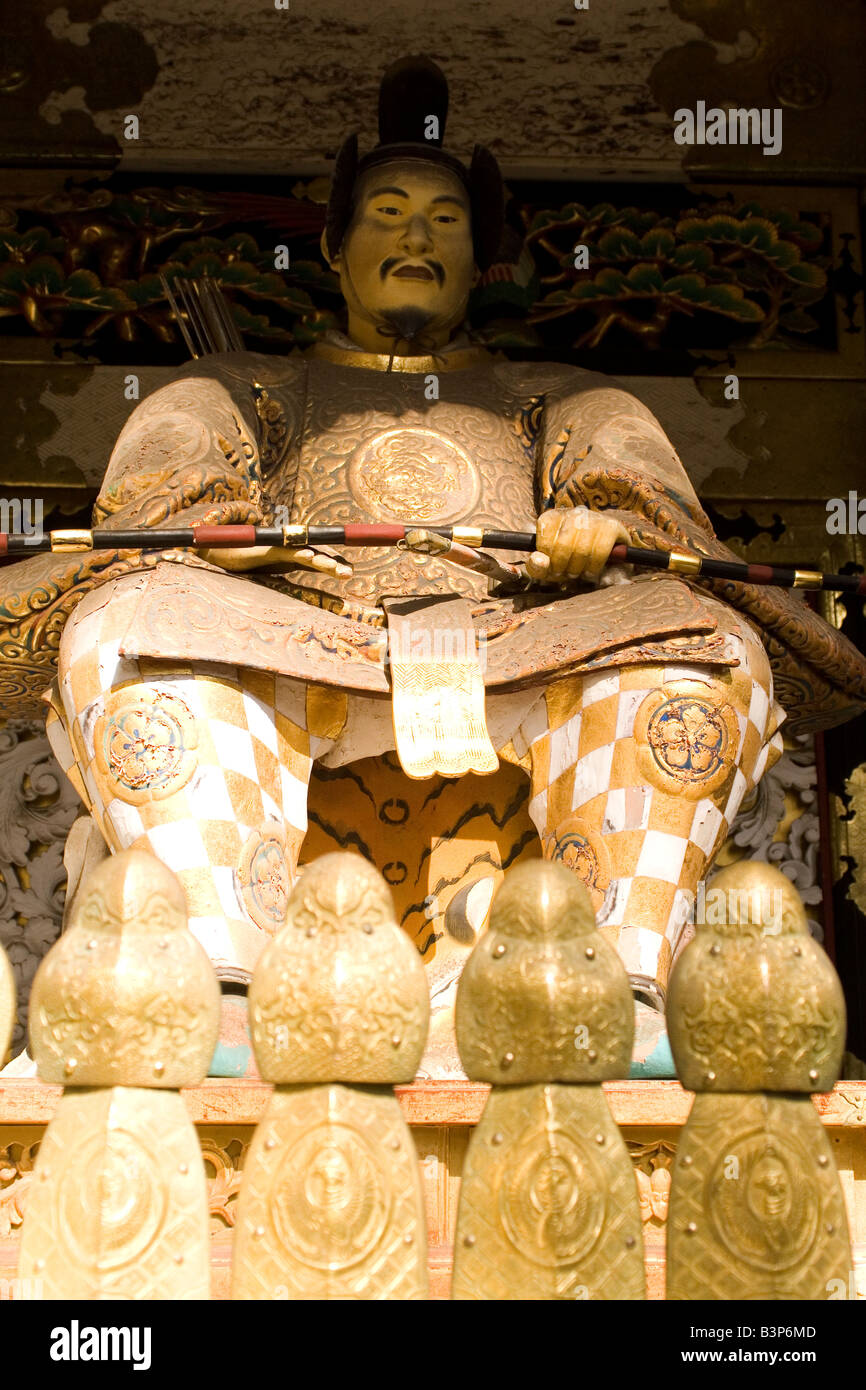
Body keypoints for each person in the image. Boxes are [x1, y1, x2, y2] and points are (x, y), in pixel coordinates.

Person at [9, 57, 865, 1076]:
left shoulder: (548, 394)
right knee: (128, 625)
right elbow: (165, 493)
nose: (415, 236)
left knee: (704, 644)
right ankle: (223, 985)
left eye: (445, 221)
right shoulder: (252, 388)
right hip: (289, 642)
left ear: (479, 261)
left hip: (519, 642)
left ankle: (619, 981)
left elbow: (641, 502)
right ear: (332, 246)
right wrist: (229, 540)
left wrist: (597, 533)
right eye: (386, 211)